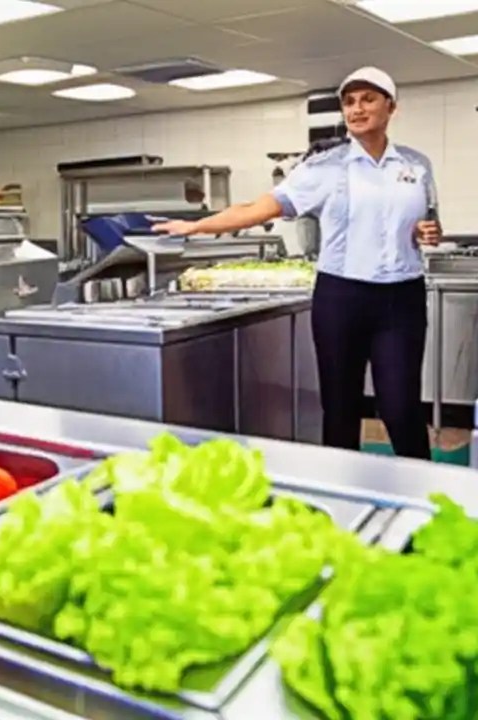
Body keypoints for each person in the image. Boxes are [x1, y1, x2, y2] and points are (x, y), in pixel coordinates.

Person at [153, 66, 442, 459]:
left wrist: (426, 232)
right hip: (343, 296)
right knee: (340, 406)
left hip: (401, 299)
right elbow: (259, 208)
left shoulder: (417, 164)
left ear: (391, 107)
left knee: (401, 407)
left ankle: (422, 494)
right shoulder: (324, 167)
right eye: (349, 102)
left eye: (368, 99)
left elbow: (427, 221)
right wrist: (197, 226)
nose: (357, 109)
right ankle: (341, 497)